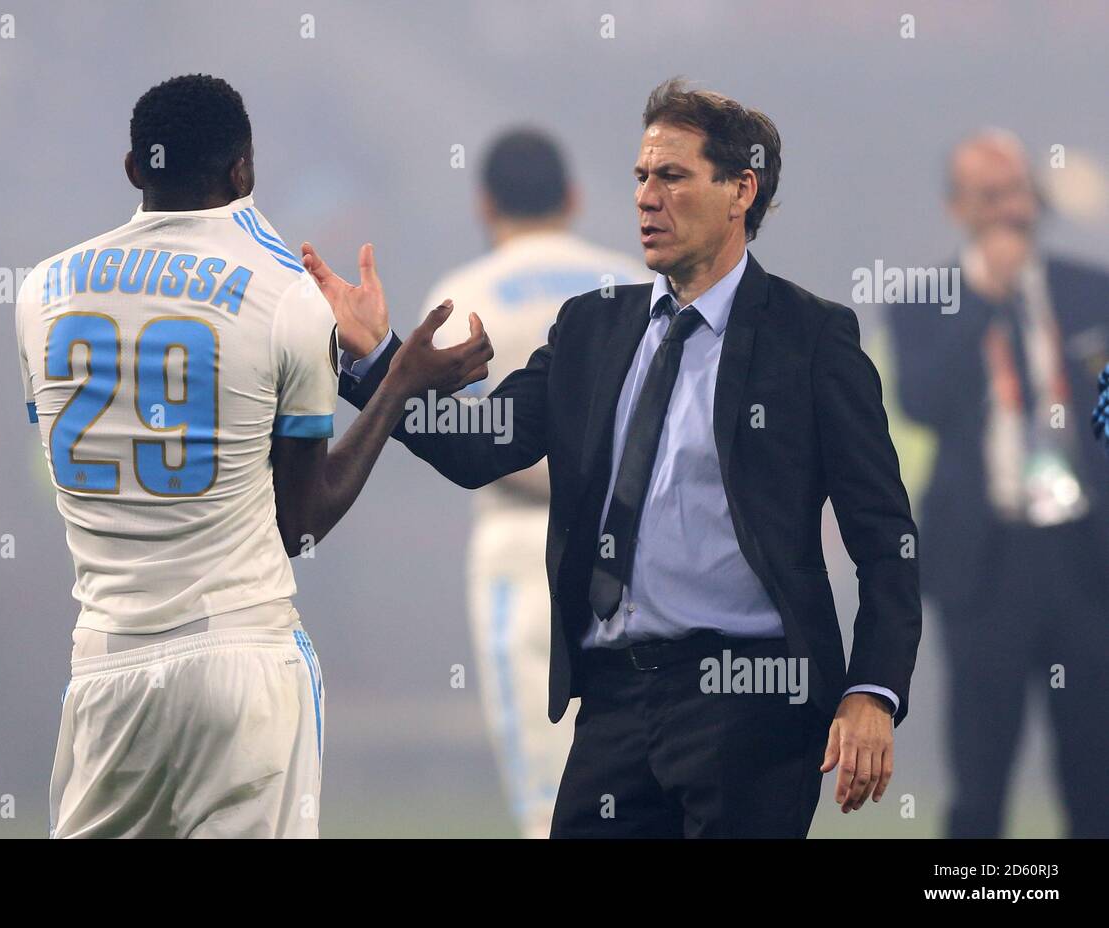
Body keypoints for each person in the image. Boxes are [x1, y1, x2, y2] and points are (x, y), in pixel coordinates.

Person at [306, 78, 921, 837]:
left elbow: (886, 541)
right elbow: (475, 446)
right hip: (615, 708)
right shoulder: (593, 327)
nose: (646, 197)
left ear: (740, 191)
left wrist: (872, 691)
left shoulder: (812, 338)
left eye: (672, 176)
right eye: (640, 177)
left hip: (752, 702)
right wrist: (378, 362)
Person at [16, 74, 490, 838]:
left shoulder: (40, 292)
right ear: (244, 172)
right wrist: (399, 379)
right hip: (240, 654)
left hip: (105, 661)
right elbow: (301, 525)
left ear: (135, 169)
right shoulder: (285, 297)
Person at [420, 128, 648, 837]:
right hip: (638, 549)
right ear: (574, 198)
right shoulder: (633, 284)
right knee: (642, 782)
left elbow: (446, 433)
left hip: (518, 553)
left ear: (485, 204)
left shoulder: (460, 298)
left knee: (548, 798)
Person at [889, 130, 1109, 838]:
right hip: (986, 565)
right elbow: (922, 401)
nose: (1009, 211)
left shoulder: (1088, 292)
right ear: (959, 208)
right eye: (989, 197)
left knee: (1094, 769)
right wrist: (984, 296)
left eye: (1016, 191)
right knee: (980, 774)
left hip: (1083, 558)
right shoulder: (928, 298)